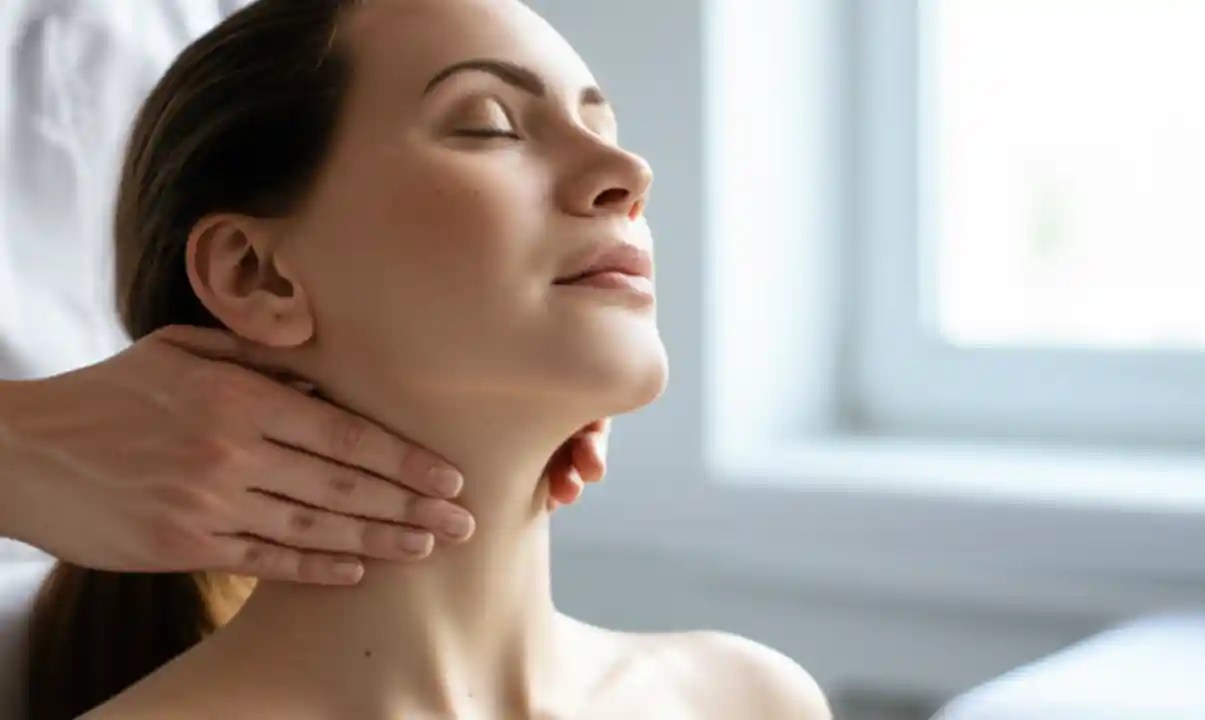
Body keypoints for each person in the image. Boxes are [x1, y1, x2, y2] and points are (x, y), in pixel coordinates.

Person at [23, 0, 834, 718]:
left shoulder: (750, 700)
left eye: (606, 130)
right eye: (490, 124)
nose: (629, 175)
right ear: (257, 274)